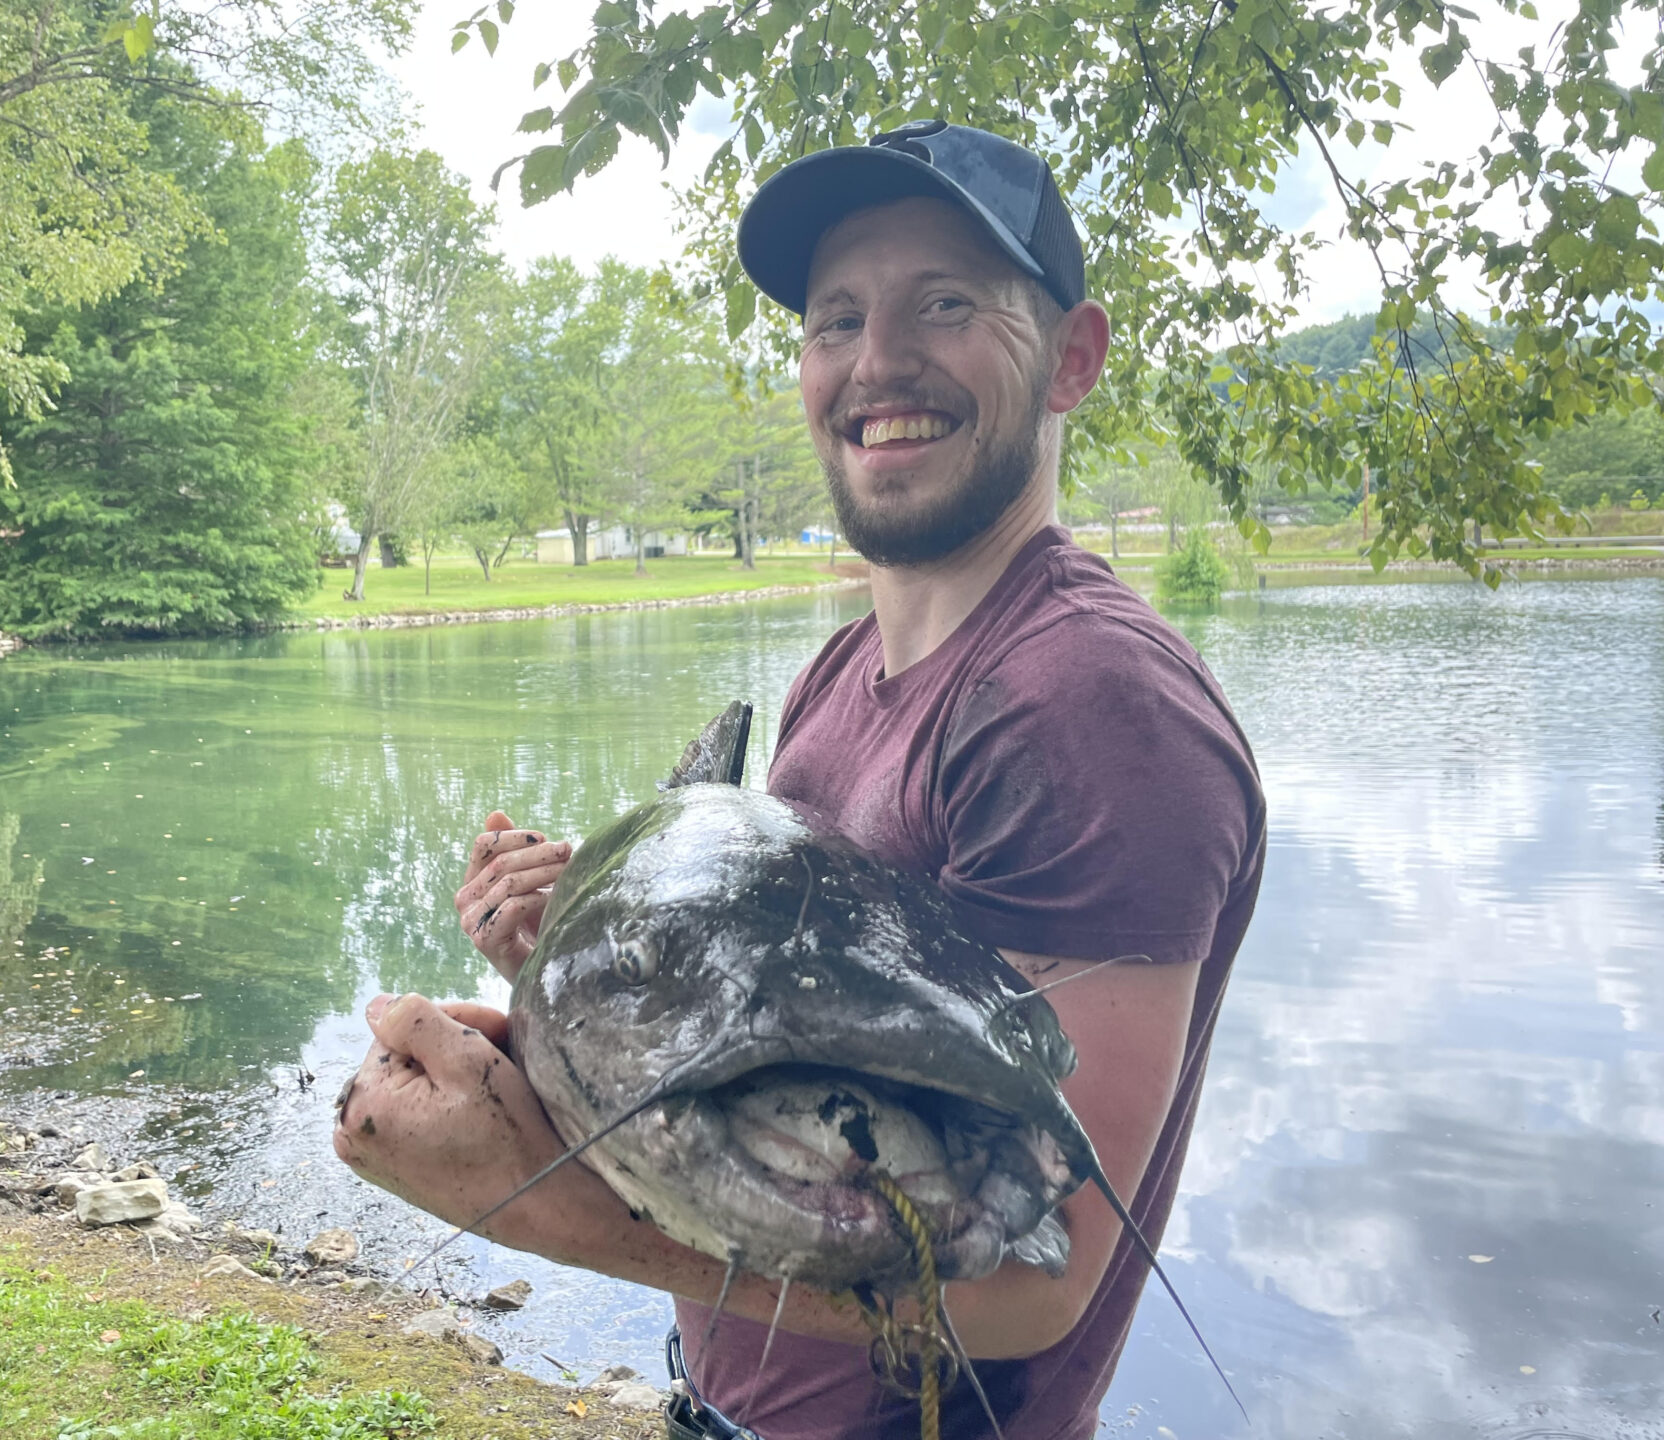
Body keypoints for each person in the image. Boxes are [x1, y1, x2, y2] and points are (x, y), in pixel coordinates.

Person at [332, 120, 1266, 1440]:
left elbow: (1036, 1279)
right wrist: (574, 960)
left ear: (1072, 357)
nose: (877, 361)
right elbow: (778, 1005)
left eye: (946, 305)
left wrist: (540, 1197)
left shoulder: (1092, 706)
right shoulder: (844, 668)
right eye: (838, 319)